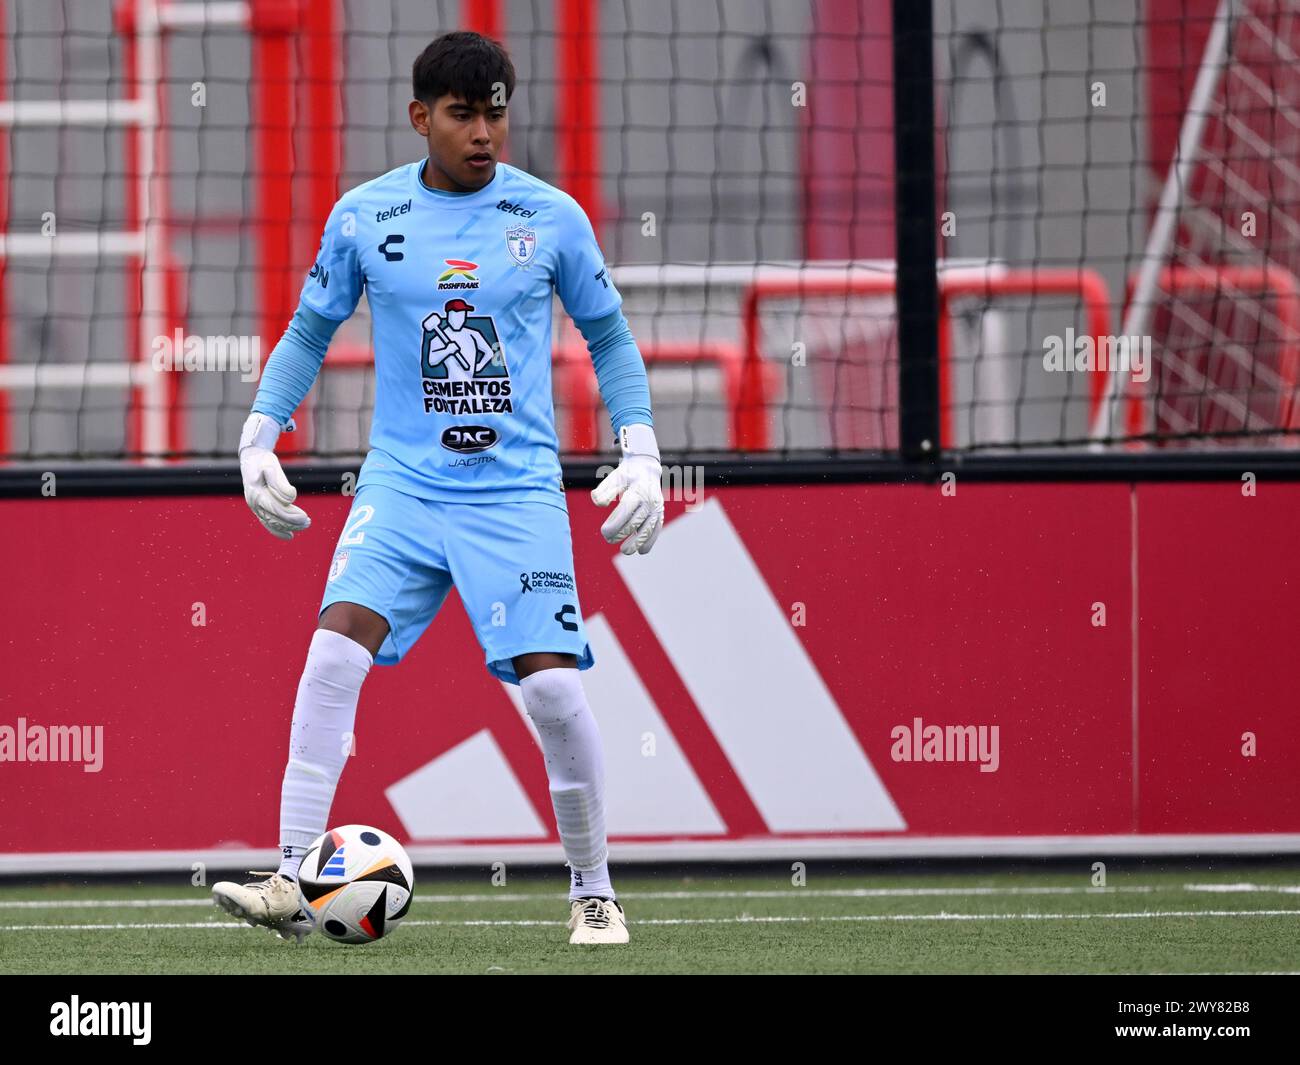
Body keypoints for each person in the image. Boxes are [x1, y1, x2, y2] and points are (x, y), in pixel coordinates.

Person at [211, 30, 662, 947]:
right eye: (463, 114)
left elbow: (610, 338)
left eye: (496, 110)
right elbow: (308, 328)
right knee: (333, 654)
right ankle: (294, 882)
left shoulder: (552, 219)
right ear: (421, 118)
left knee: (549, 692)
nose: (485, 131)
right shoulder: (363, 217)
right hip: (404, 486)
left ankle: (593, 889)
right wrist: (260, 432)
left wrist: (642, 446)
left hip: (516, 495)